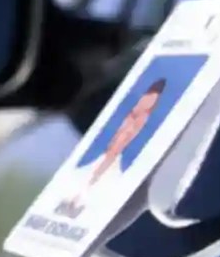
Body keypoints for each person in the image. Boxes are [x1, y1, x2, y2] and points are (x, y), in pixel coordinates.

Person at [55, 78, 167, 219]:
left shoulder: (138, 188)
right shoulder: (76, 179)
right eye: (133, 115)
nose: (131, 126)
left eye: (143, 117)